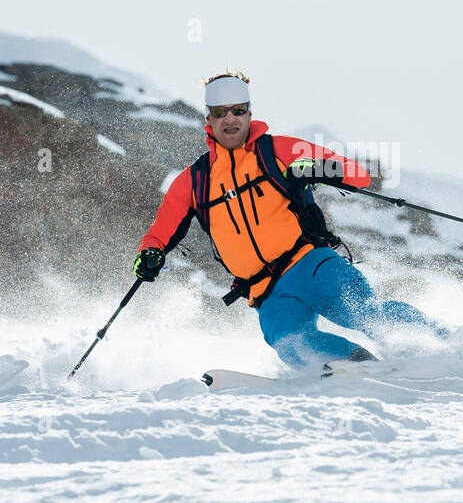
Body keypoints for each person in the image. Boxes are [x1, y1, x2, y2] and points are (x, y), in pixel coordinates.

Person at [133, 70, 445, 369]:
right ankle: (357, 369)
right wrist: (148, 256)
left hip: (313, 265)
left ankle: (445, 347)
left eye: (238, 110)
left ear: (249, 114)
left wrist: (315, 169)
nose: (230, 118)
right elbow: (160, 234)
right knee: (291, 344)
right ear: (209, 119)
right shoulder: (193, 181)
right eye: (220, 112)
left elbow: (356, 174)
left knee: (364, 314)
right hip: (267, 292)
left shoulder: (279, 149)